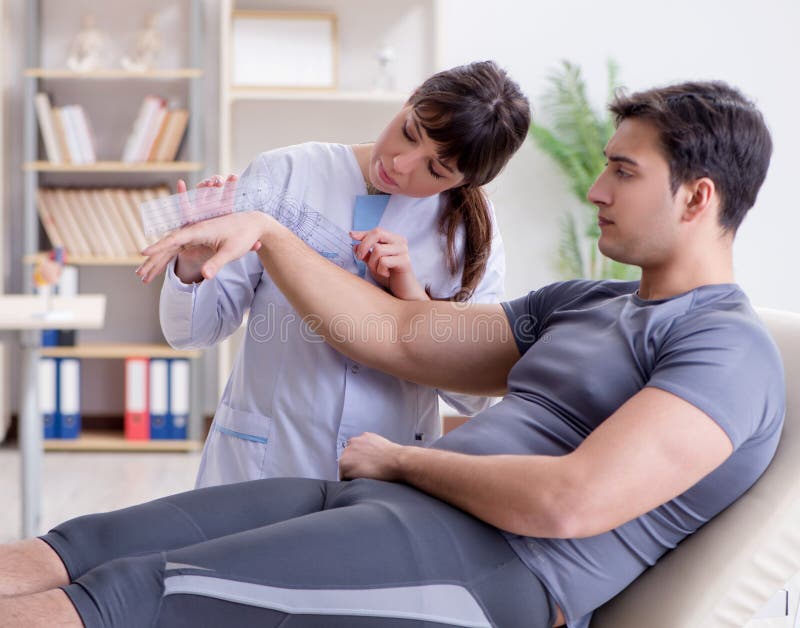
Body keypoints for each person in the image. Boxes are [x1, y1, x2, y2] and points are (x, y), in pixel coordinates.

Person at [0, 81, 782, 628]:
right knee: (90, 544)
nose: (596, 191)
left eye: (622, 170)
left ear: (697, 196)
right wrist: (266, 233)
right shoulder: (585, 301)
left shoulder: (727, 348)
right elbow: (402, 335)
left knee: (129, 596)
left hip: (489, 570)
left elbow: (569, 503)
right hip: (381, 506)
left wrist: (406, 461)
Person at [158, 60, 531, 486]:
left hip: (386, 477)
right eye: (410, 132)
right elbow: (190, 333)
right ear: (409, 100)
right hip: (267, 462)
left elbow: (471, 396)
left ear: (462, 182)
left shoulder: (469, 230)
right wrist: (193, 262)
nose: (402, 163)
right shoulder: (287, 173)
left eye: (435, 170)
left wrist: (415, 303)